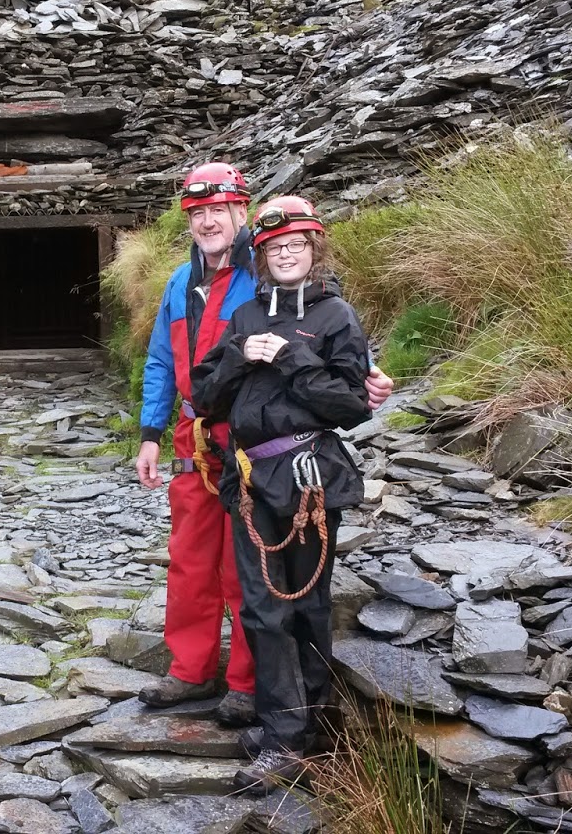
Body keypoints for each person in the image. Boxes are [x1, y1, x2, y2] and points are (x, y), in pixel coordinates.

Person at [135, 164, 394, 726]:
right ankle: (189, 669)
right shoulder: (180, 284)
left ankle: (250, 683)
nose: (207, 221)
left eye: (218, 210)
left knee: (247, 563)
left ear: (240, 212)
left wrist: (369, 373)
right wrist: (149, 434)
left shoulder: (267, 267)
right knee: (189, 557)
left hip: (253, 440)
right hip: (191, 433)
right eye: (196, 213)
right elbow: (161, 360)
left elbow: (320, 315)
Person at [190, 196, 371, 793]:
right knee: (263, 608)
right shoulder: (244, 318)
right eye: (274, 248)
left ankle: (304, 732)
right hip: (249, 478)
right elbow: (205, 396)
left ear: (314, 250)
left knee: (308, 605)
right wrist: (241, 358)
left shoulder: (335, 316)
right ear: (261, 257)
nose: (286, 253)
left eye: (297, 244)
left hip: (311, 475)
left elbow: (350, 405)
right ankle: (284, 730)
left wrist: (293, 357)